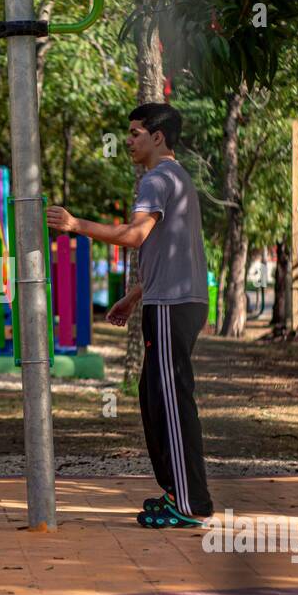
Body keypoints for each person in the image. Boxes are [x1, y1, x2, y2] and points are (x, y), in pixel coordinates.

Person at [46, 102, 213, 529]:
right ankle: (178, 490)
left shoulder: (158, 179)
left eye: (136, 132)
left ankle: (191, 503)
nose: (129, 140)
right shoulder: (177, 178)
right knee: (154, 397)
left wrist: (75, 224)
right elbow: (171, 252)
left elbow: (136, 236)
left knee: (172, 403)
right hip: (170, 300)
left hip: (173, 306)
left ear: (158, 137)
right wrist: (135, 295)